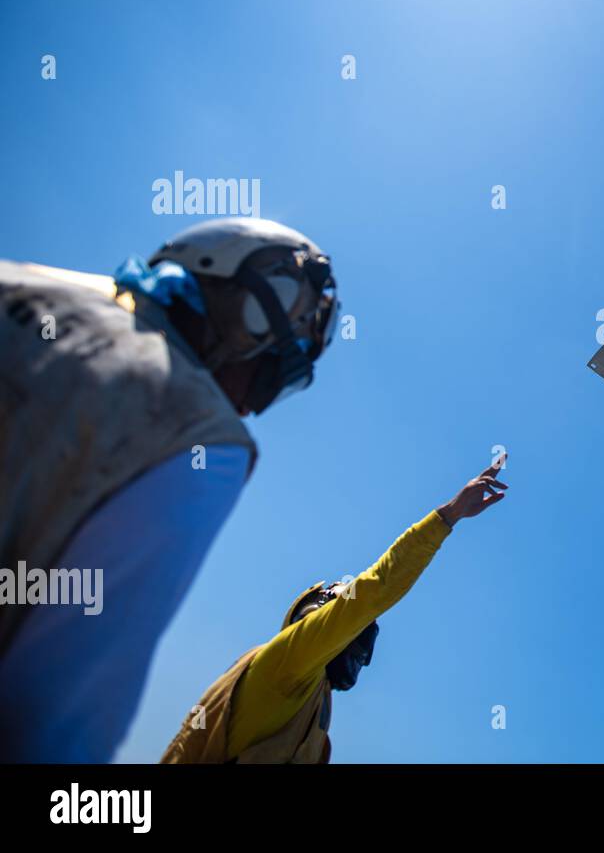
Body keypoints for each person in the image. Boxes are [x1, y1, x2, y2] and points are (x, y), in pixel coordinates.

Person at [0, 217, 340, 762]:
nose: (253, 404)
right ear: (245, 313)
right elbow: (51, 725)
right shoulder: (201, 435)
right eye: (272, 370)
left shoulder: (19, 281)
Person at [161, 460, 507, 763]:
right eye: (353, 626)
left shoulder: (313, 706)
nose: (360, 649)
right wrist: (449, 515)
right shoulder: (288, 664)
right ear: (311, 616)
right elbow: (374, 591)